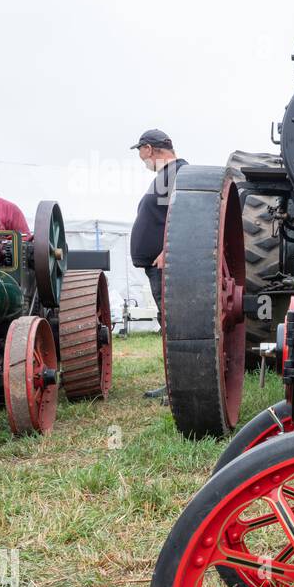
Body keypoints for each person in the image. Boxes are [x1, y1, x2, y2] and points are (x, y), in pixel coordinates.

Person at [129, 130, 187, 399]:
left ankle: (180, 386)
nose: (141, 159)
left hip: (166, 265)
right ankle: (173, 383)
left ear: (148, 148)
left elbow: (183, 213)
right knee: (168, 325)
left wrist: (168, 249)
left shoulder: (176, 172)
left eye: (141, 152)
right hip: (156, 266)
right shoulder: (165, 177)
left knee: (175, 325)